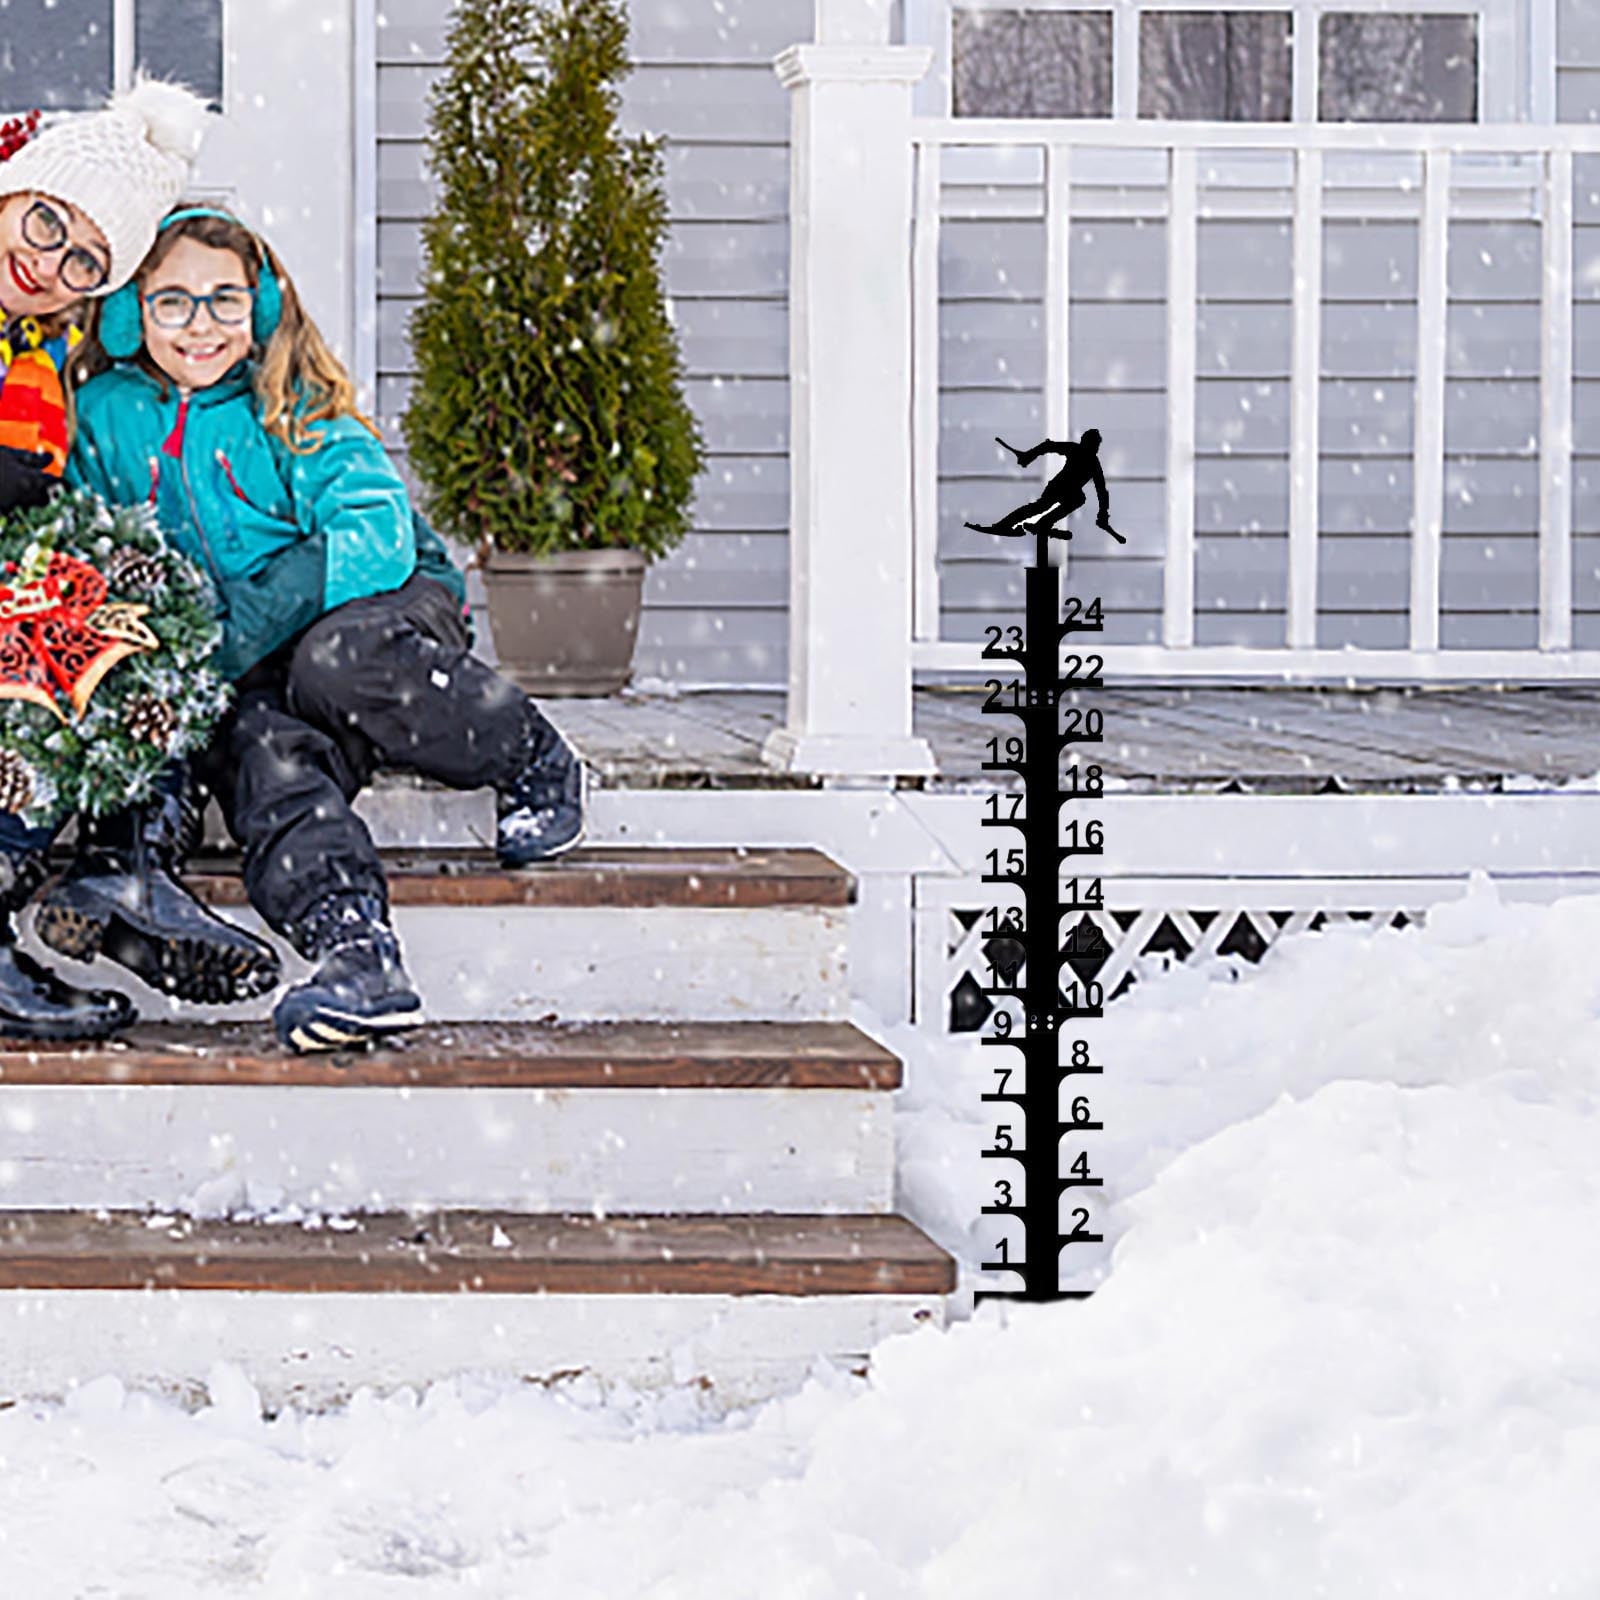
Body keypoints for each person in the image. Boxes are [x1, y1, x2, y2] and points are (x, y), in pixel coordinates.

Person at [70, 207, 586, 1054]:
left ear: (260, 308)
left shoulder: (290, 402)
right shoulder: (105, 415)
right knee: (263, 754)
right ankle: (357, 952)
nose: (200, 325)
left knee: (334, 663)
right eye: (172, 303)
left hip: (377, 606)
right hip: (244, 661)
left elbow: (373, 532)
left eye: (223, 301)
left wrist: (243, 625)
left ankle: (528, 756)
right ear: (132, 313)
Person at [0, 80, 280, 1042]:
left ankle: (123, 868)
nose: (49, 263)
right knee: (61, 635)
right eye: (44, 223)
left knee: (129, 609)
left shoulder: (40, 347)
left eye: (84, 258)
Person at [964, 428, 1125, 544]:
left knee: (1071, 500)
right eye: (1093, 445)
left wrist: (1103, 513)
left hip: (1068, 492)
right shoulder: (1077, 451)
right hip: (1057, 488)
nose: (1094, 449)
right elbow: (1049, 446)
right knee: (1040, 507)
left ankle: (1043, 523)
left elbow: (1102, 491)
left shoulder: (1091, 462)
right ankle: (1008, 525)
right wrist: (1029, 455)